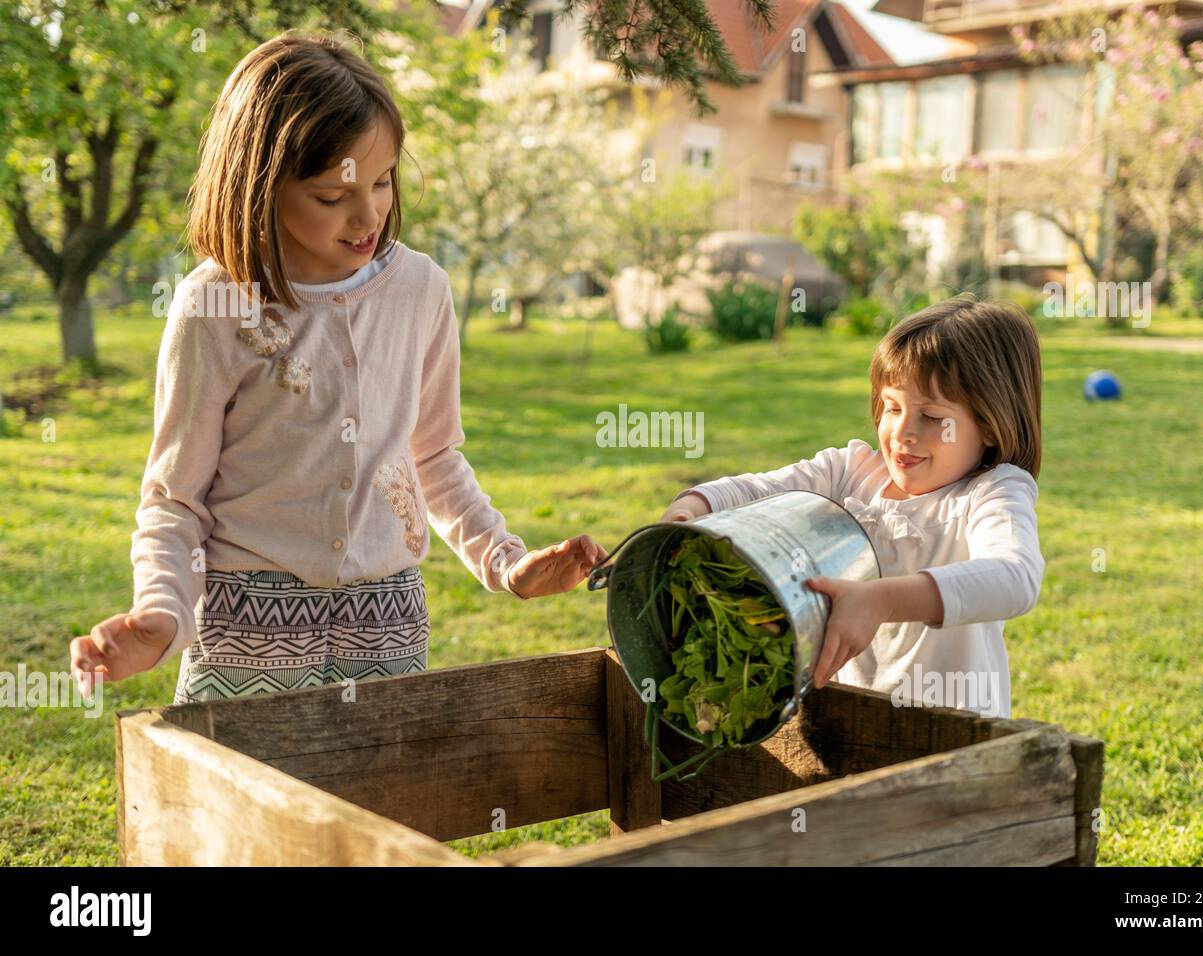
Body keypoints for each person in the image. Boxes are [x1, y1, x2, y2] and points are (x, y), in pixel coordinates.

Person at [70, 33, 606, 704]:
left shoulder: (422, 291)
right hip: (246, 631)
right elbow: (175, 498)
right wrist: (160, 613)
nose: (369, 213)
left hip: (387, 628)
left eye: (383, 181)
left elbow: (433, 459)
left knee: (379, 806)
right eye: (332, 196)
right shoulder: (214, 306)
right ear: (260, 185)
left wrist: (505, 562)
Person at [661, 298, 1044, 718]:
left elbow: (1015, 576)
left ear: (990, 425)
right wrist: (685, 514)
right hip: (848, 727)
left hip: (952, 744)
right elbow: (755, 490)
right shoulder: (849, 472)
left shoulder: (992, 493)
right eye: (893, 407)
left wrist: (880, 600)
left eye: (933, 417)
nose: (903, 432)